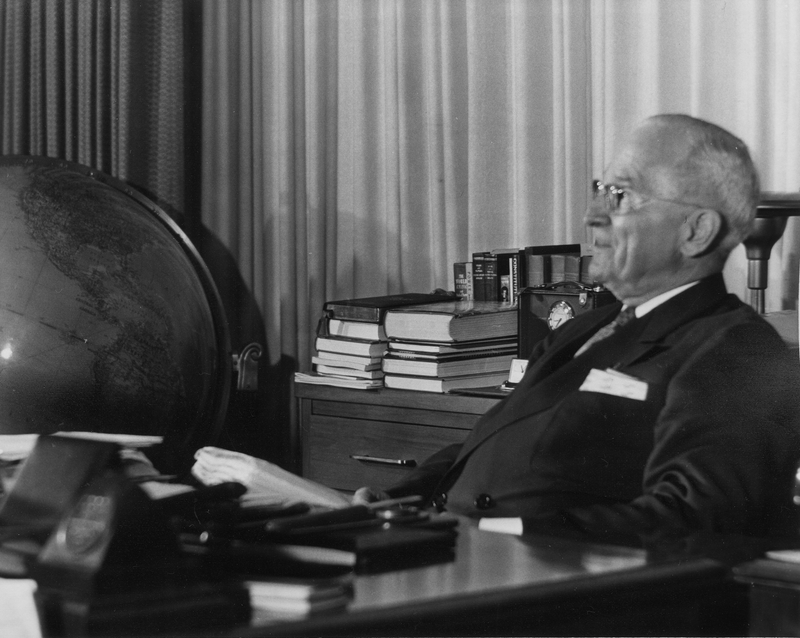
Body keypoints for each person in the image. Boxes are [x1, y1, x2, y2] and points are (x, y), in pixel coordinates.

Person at [354, 114, 800, 538]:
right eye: (600, 190)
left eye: (620, 196)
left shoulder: (736, 349)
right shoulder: (586, 328)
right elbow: (500, 442)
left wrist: (496, 533)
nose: (592, 216)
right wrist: (400, 500)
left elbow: (689, 517)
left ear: (696, 231)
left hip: (554, 588)